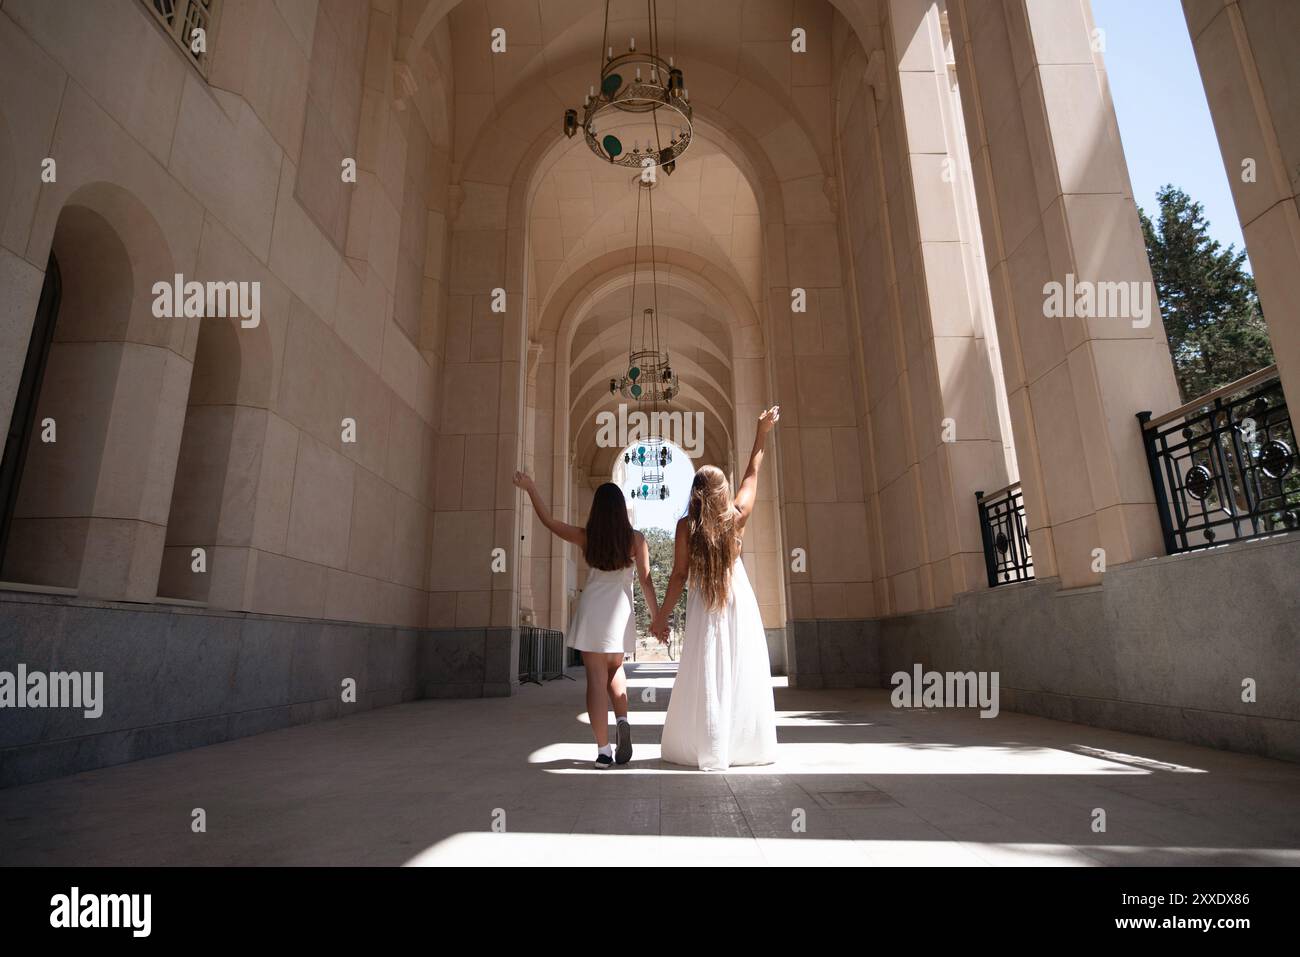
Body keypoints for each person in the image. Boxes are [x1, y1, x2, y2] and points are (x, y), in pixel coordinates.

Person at [651, 407, 780, 770]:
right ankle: (741, 744)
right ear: (724, 494)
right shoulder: (736, 518)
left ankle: (709, 742)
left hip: (704, 601)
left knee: (705, 668)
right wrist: (761, 432)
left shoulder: (684, 528)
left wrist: (661, 617)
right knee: (740, 666)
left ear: (694, 494)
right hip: (738, 600)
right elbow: (753, 474)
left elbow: (677, 576)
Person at [513, 471, 658, 769]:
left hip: (593, 609)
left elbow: (549, 522)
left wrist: (530, 488)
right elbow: (646, 581)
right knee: (616, 668)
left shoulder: (586, 536)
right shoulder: (637, 540)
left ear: (597, 510)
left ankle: (604, 750)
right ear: (621, 510)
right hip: (620, 612)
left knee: (594, 679)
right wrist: (658, 619)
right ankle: (622, 719)